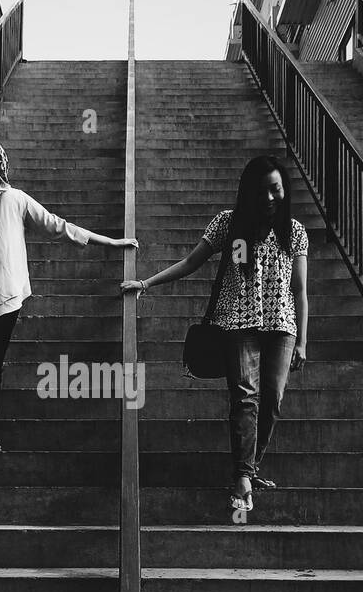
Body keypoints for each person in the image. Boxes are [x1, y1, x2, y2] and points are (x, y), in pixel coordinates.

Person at [0, 138, 137, 482]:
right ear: (2, 165)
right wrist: (111, 241)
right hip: (5, 298)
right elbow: (58, 226)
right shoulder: (16, 200)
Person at [122, 154, 309, 512]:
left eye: (276, 190)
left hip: (281, 325)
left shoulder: (295, 231)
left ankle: (249, 468)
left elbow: (300, 290)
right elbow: (192, 262)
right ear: (248, 193)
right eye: (262, 191)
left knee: (273, 398)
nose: (270, 198)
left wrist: (302, 339)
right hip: (237, 321)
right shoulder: (228, 223)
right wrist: (146, 283)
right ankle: (242, 477)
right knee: (245, 397)